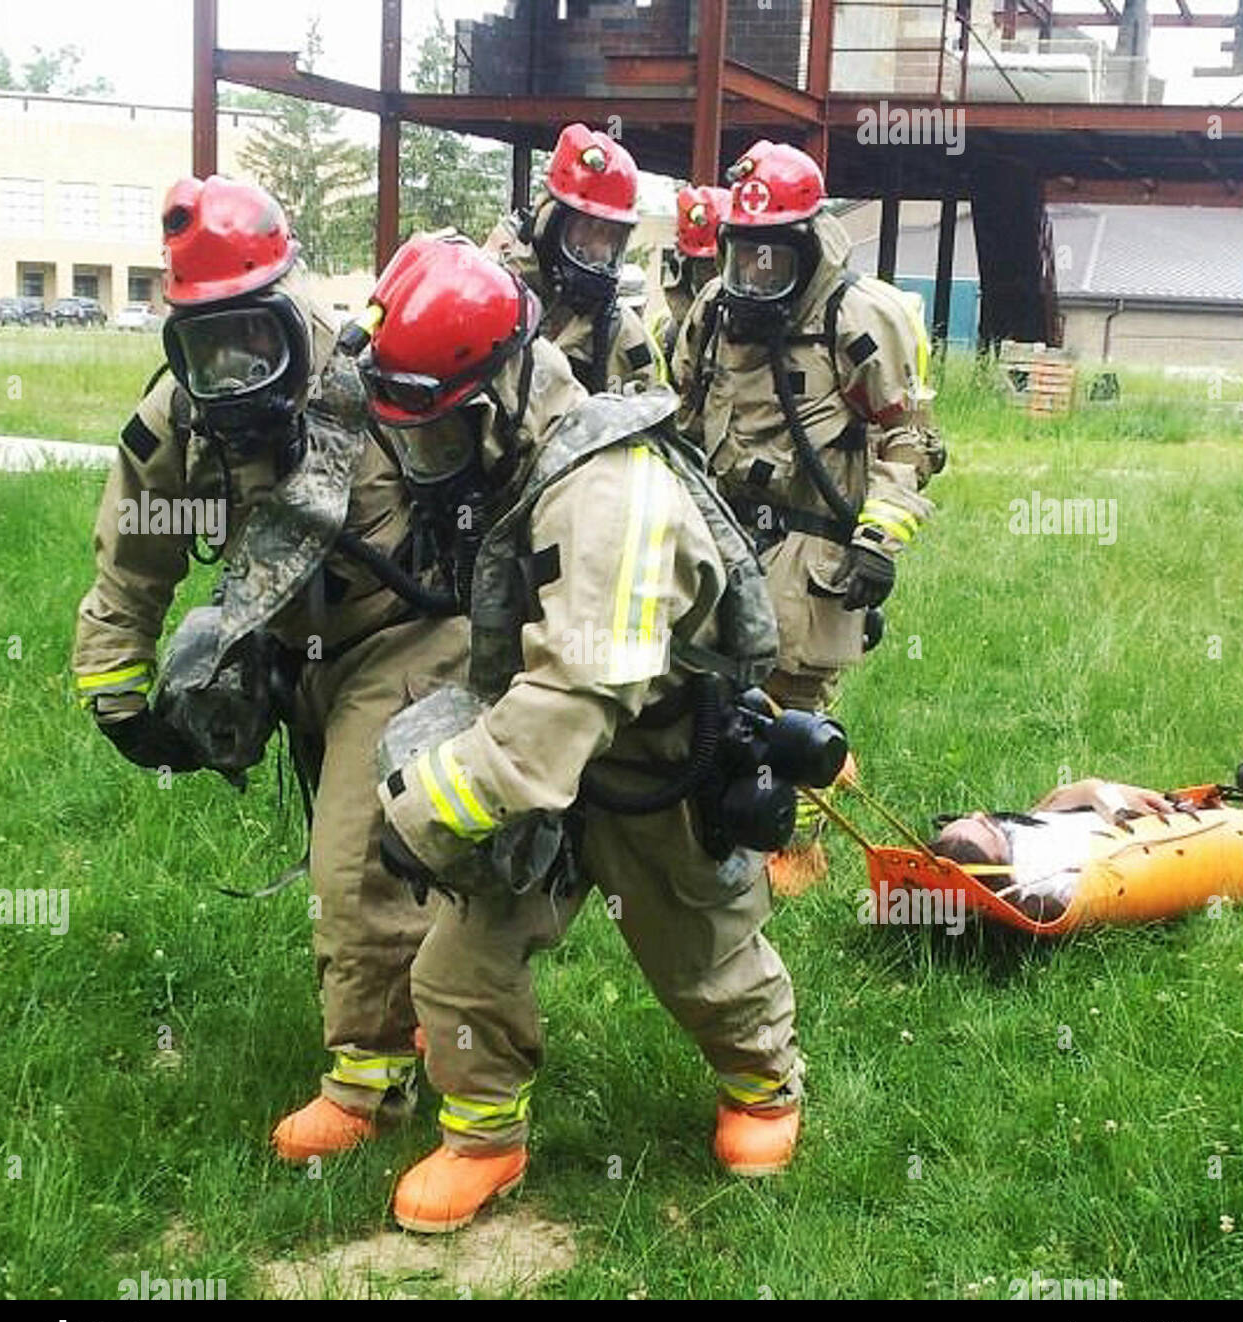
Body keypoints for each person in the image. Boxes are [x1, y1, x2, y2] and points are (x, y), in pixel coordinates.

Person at [354, 234, 815, 1232]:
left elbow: (571, 698)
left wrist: (430, 813)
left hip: (647, 756)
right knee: (459, 960)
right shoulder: (516, 456)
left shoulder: (609, 496)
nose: (427, 465)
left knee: (702, 959)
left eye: (439, 436)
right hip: (537, 755)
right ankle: (484, 1137)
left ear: (505, 391)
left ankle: (764, 1085)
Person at [71, 176, 470, 1161]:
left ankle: (369, 1080)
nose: (233, 364)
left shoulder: (371, 377)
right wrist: (116, 688)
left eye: (252, 335)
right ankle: (442, 990)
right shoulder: (178, 416)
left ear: (288, 307)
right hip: (294, 654)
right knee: (392, 856)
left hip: (401, 637)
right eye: (207, 343)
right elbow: (133, 555)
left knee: (350, 856)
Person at [671, 140, 942, 891]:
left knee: (790, 699)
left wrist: (879, 537)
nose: (755, 276)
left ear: (804, 245)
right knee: (701, 692)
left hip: (808, 541)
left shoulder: (860, 317)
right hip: (719, 532)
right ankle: (714, 830)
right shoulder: (710, 313)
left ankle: (796, 852)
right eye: (743, 256)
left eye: (772, 260)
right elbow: (685, 418)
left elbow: (908, 439)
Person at [485, 122, 664, 394]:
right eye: (589, 230)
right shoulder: (489, 301)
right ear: (551, 223)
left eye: (612, 238)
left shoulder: (623, 335)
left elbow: (646, 429)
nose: (601, 252)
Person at [930, 779, 1178, 921]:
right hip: (1151, 830)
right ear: (999, 862)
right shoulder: (1049, 877)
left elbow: (1077, 792)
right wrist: (1119, 809)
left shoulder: (1014, 836)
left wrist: (1115, 803)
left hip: (1117, 811)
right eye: (985, 826)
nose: (981, 815)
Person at [649, 184, 731, 375]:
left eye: (726, 267)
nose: (716, 284)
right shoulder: (663, 332)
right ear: (685, 271)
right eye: (708, 268)